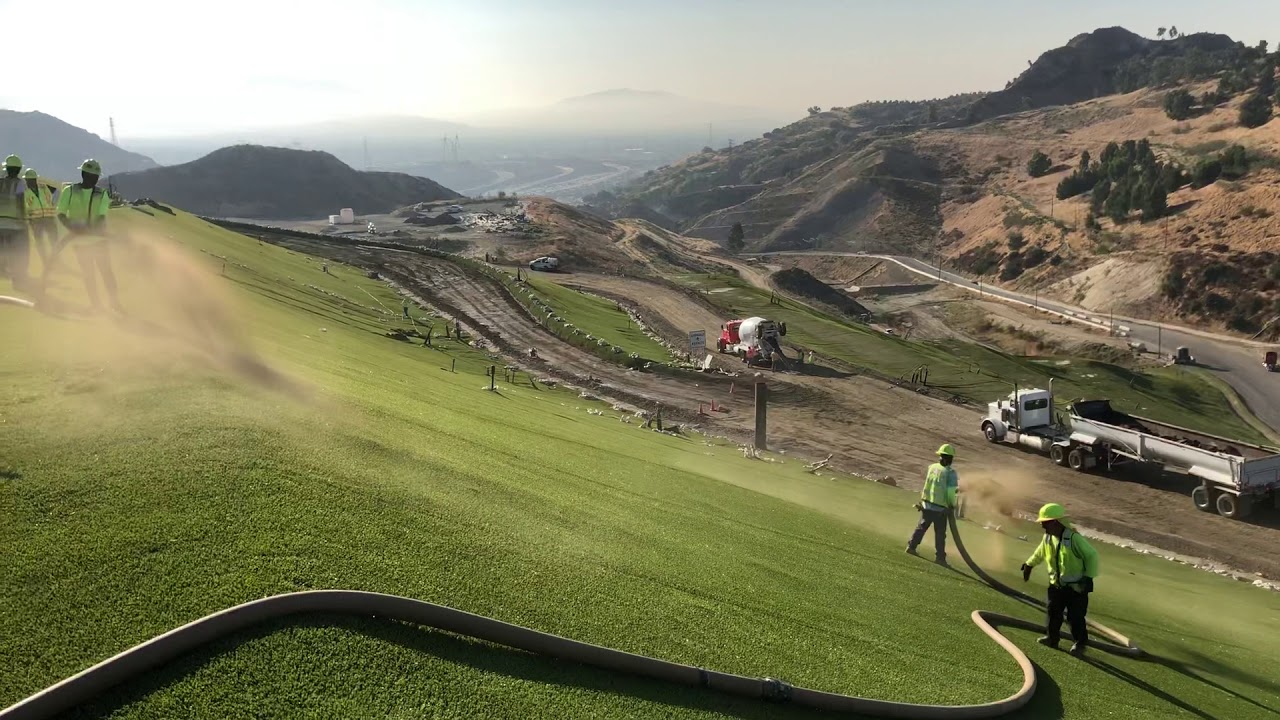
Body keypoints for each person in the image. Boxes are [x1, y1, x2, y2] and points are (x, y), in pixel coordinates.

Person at [1021, 503, 1099, 656]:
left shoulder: (1073, 538)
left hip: (1077, 588)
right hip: (1056, 586)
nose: (1043, 526)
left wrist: (1088, 577)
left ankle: (1080, 643)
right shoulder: (1049, 538)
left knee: (1075, 616)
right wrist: (1029, 564)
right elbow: (1040, 553)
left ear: (1055, 522)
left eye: (1045, 523)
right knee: (1053, 611)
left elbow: (1092, 556)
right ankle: (1052, 638)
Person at [55, 159, 119, 312]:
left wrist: (78, 228)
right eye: (92, 176)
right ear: (84, 175)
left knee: (102, 272)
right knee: (94, 274)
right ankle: (99, 305)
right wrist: (73, 227)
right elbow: (61, 213)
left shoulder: (99, 194)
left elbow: (101, 217)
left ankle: (111, 303)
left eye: (94, 176)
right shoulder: (70, 191)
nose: (93, 179)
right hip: (84, 242)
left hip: (94, 241)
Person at [906, 443, 959, 565]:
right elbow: (951, 492)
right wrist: (952, 506)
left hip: (927, 504)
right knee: (940, 534)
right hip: (940, 509)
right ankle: (940, 558)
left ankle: (911, 547)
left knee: (921, 528)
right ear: (950, 458)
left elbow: (928, 484)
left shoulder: (932, 467)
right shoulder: (950, 473)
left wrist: (923, 501)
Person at [0, 154, 28, 290]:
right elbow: (20, 202)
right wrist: (24, 220)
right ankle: (17, 281)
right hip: (15, 225)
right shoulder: (20, 183)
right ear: (18, 170)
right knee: (17, 252)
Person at [23, 168, 57, 267]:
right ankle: (45, 261)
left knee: (53, 240)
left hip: (49, 217)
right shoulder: (25, 191)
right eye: (28, 180)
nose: (29, 182)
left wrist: (54, 203)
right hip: (35, 220)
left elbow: (57, 191)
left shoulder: (44, 187)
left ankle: (56, 260)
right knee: (40, 242)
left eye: (30, 180)